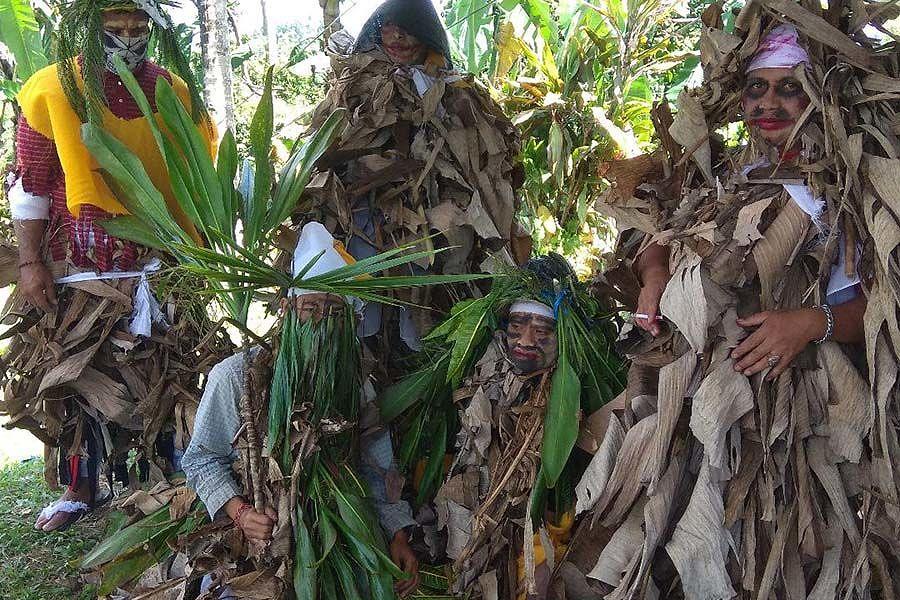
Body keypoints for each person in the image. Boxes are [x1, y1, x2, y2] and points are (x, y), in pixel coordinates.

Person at [561, 18, 875, 598]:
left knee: (758, 556)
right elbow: (659, 231)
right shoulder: (728, 168)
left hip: (783, 412)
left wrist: (811, 323)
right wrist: (656, 278)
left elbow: (881, 311)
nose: (770, 103)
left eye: (789, 86)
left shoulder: (848, 186)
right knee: (662, 535)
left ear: (820, 91)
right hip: (684, 391)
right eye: (758, 87)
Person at [1, 0, 221, 533]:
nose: (127, 34)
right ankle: (82, 487)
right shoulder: (51, 89)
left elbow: (194, 175)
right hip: (79, 266)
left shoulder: (173, 90)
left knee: (164, 375)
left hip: (154, 263)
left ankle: (166, 477)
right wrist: (31, 262)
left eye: (137, 24)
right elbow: (30, 185)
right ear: (87, 23)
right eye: (114, 23)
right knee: (80, 382)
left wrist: (193, 251)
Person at [182, 222, 420, 598]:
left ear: (350, 320)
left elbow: (377, 461)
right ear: (287, 308)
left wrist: (397, 533)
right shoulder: (237, 375)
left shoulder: (353, 377)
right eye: (311, 306)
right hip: (257, 539)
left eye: (334, 310)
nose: (322, 320)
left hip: (335, 532)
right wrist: (241, 513)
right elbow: (202, 459)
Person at [384, 254, 625, 599]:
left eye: (542, 331)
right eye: (517, 326)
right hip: (462, 537)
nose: (526, 340)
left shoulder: (576, 402)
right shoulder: (471, 384)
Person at [302, 0, 529, 365]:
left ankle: (422, 368)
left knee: (423, 305)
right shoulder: (353, 87)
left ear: (427, 34)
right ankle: (360, 364)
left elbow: (483, 163)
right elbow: (325, 151)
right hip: (361, 217)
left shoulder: (456, 90)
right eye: (388, 27)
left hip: (433, 221)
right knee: (360, 303)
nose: (396, 37)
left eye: (407, 28)